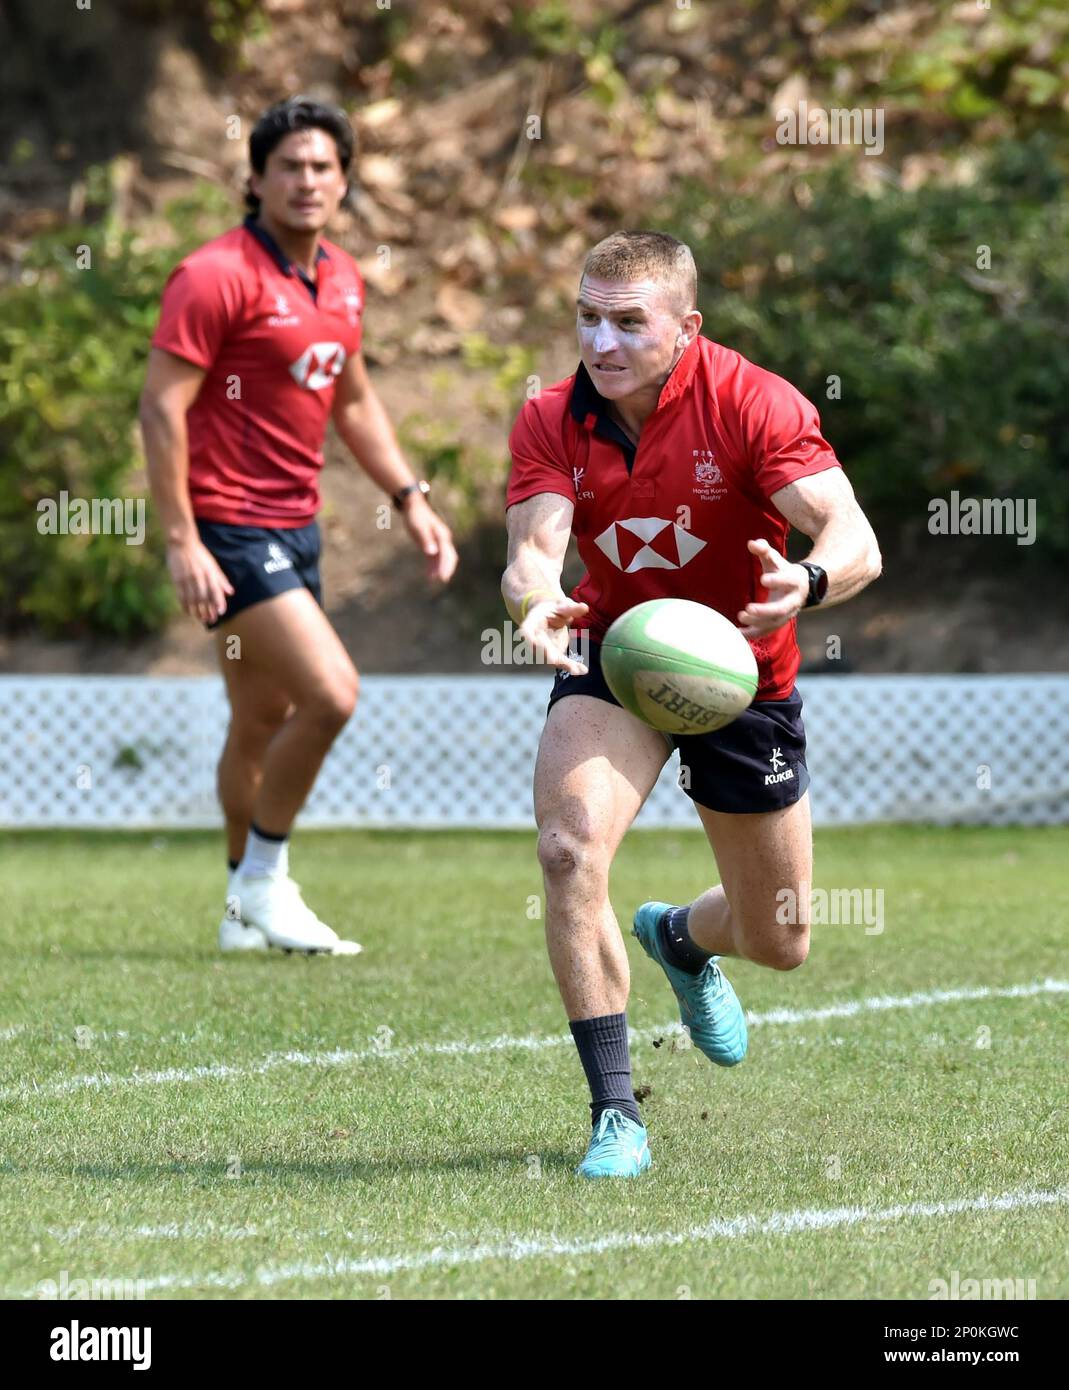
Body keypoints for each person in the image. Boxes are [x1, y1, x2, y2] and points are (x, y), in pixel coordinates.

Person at [501, 230, 881, 1176]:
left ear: (685, 327)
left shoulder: (752, 401)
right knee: (566, 846)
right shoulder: (551, 417)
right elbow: (533, 553)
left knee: (779, 937)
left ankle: (679, 936)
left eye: (629, 322)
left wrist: (810, 578)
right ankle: (616, 1114)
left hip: (740, 673)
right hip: (614, 655)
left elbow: (853, 535)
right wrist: (537, 599)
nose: (602, 341)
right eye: (588, 316)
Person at [140, 97, 457, 955]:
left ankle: (242, 916)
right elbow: (161, 410)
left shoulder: (343, 278)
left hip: (297, 525)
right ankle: (265, 884)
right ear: (255, 179)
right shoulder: (212, 276)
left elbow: (351, 400)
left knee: (259, 721)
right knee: (330, 695)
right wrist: (181, 540)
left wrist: (408, 497)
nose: (307, 180)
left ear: (345, 180)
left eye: (323, 166)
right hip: (229, 530)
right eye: (289, 165)